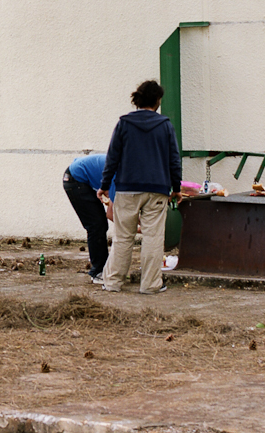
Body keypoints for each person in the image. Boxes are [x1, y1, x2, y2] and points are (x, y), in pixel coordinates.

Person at [99, 80, 182, 294]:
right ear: (157, 100)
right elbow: (174, 160)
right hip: (157, 189)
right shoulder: (165, 125)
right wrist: (176, 187)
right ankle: (150, 285)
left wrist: (104, 185)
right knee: (153, 237)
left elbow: (112, 157)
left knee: (123, 237)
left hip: (127, 189)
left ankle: (113, 282)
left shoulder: (124, 123)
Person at [63, 153, 114, 284]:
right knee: (96, 225)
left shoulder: (125, 172)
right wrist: (139, 228)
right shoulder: (119, 177)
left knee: (100, 225)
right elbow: (111, 214)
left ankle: (103, 268)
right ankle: (98, 272)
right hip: (76, 179)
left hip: (83, 176)